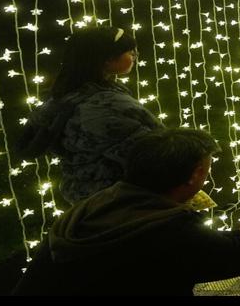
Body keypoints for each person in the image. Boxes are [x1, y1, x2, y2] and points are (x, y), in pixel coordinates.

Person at [13, 128, 240, 296]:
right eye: (206, 169)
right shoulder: (166, 230)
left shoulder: (100, 205)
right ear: (194, 175)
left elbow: (198, 247)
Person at [17, 26, 160, 206]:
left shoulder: (71, 96)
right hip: (118, 201)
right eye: (129, 52)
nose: (134, 56)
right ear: (106, 59)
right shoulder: (104, 107)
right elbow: (148, 155)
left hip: (88, 194)